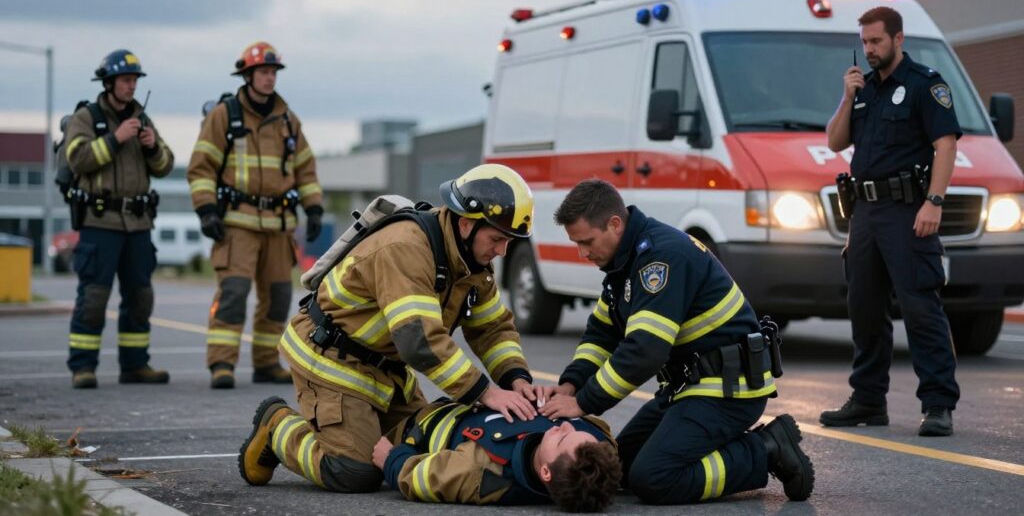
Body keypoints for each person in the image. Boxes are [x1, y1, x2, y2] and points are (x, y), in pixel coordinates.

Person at [238, 164, 545, 494]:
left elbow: (493, 328)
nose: (502, 251)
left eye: (509, 242)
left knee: (423, 449)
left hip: (386, 372)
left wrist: (516, 380)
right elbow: (419, 341)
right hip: (331, 360)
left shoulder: (473, 262)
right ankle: (277, 425)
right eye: (497, 239)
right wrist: (486, 392)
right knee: (354, 472)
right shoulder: (407, 248)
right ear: (466, 223)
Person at [539, 179, 814, 504]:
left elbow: (645, 351)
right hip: (688, 389)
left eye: (586, 242)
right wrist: (571, 384)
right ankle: (723, 446)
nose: (582, 253)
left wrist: (585, 402)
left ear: (614, 225)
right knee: (620, 466)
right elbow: (601, 335)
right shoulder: (623, 264)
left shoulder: (660, 259)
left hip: (727, 392)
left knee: (654, 478)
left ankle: (766, 448)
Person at [822, 6, 961, 437]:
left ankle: (938, 404)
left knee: (920, 308)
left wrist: (934, 202)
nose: (869, 49)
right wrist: (847, 96)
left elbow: (946, 145)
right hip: (865, 214)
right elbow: (835, 141)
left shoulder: (925, 85)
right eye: (864, 42)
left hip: (907, 211)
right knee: (864, 309)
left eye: (877, 41)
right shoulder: (864, 91)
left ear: (899, 39)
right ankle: (868, 399)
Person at [187, 41, 324, 389]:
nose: (269, 78)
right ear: (247, 75)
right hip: (237, 224)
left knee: (278, 296)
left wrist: (314, 208)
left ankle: (266, 363)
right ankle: (222, 363)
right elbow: (201, 167)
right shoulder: (224, 116)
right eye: (263, 72)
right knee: (233, 293)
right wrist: (205, 210)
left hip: (279, 226)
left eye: (273, 72)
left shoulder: (288, 121)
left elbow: (305, 169)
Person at [65, 49, 174, 388]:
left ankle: (135, 365)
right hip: (101, 224)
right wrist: (115, 139)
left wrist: (152, 145)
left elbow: (165, 165)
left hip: (138, 225)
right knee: (94, 298)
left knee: (140, 297)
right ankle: (83, 367)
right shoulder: (87, 117)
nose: (132, 86)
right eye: (126, 80)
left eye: (135, 80)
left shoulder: (142, 117)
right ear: (109, 82)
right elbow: (77, 159)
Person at [367, 399, 620, 511]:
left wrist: (391, 458)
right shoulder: (595, 448)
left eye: (562, 437)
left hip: (419, 423)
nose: (565, 425)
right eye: (572, 428)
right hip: (473, 400)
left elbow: (420, 477)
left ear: (546, 471)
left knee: (352, 472)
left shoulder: (485, 472)